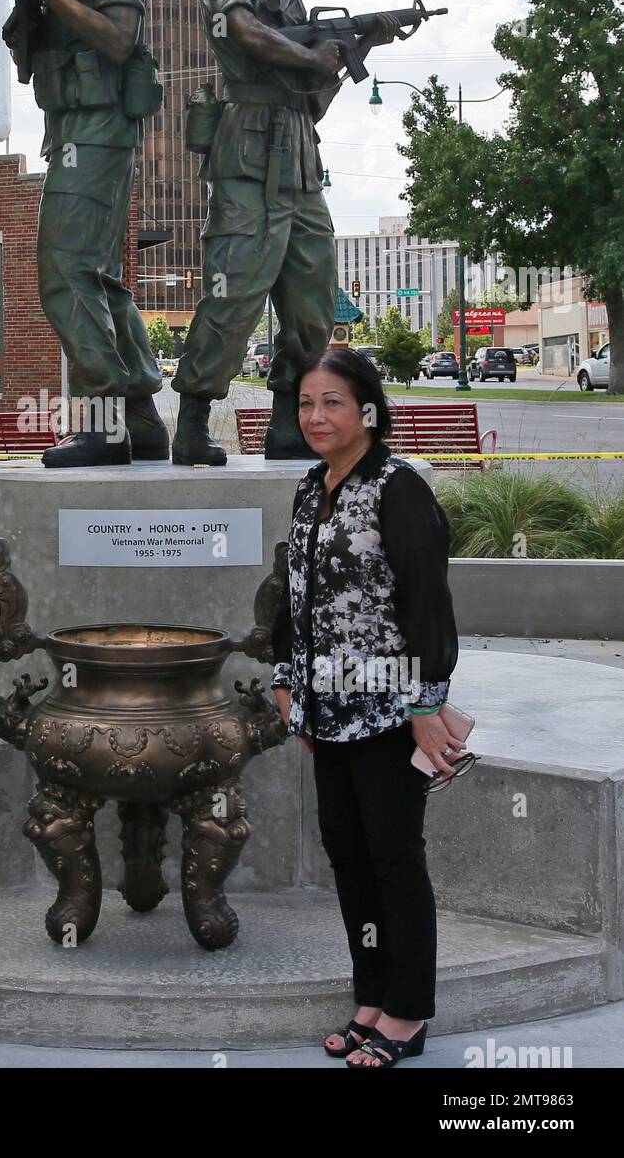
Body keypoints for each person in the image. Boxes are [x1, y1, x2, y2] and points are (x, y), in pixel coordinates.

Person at [270, 347, 461, 1067]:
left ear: (368, 411)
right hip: (327, 715)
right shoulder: (309, 487)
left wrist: (423, 704)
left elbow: (427, 605)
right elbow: (294, 594)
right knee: (349, 860)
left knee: (394, 860)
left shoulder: (398, 487)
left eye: (333, 404)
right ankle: (372, 995)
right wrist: (289, 681)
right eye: (306, 404)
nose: (316, 417)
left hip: (387, 714)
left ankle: (408, 1013)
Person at [172, 0, 398, 462]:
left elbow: (310, 99)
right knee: (234, 292)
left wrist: (359, 43)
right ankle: (192, 421)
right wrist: (314, 57)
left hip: (299, 157)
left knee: (312, 300)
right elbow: (246, 35)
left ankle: (286, 421)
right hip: (245, 155)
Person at [3, 0, 168, 467]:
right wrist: (30, 2)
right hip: (70, 128)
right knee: (99, 277)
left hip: (99, 128)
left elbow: (118, 38)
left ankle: (103, 424)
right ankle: (142, 419)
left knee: (64, 270)